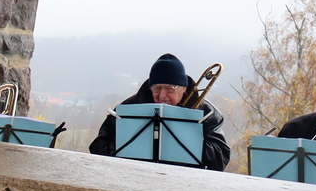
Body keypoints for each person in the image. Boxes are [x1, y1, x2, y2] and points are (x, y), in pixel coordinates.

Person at [89, 54, 230, 171]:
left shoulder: (207, 113)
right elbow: (98, 148)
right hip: (137, 178)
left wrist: (187, 135)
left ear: (184, 88)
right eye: (157, 88)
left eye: (170, 89)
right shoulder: (128, 108)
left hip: (186, 182)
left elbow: (220, 159)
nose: (162, 95)